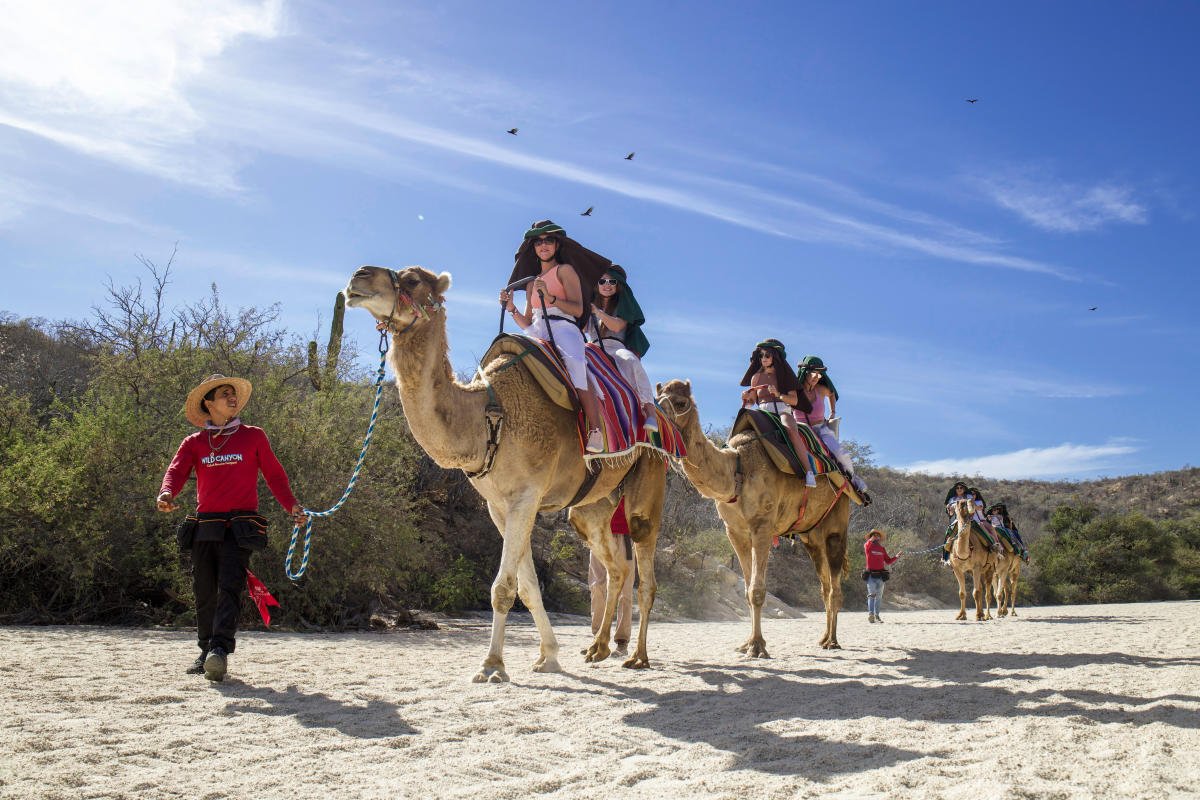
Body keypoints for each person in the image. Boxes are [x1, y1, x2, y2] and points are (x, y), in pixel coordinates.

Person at [157, 374, 306, 682]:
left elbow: (275, 476)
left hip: (240, 526)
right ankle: (205, 651)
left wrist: (291, 505)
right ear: (209, 403)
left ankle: (219, 651)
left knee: (229, 586)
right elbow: (176, 471)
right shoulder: (194, 443)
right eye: (224, 394)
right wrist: (167, 493)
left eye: (233, 393)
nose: (232, 397)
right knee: (204, 590)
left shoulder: (254, 436)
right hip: (205, 525)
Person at [502, 220, 612, 453]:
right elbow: (528, 321)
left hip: (564, 326)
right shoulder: (531, 283)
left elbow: (578, 310)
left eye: (548, 240)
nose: (543, 245)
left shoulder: (565, 271)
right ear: (533, 247)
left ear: (557, 244)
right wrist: (511, 309)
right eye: (538, 242)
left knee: (575, 363)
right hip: (537, 328)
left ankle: (596, 430)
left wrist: (550, 298)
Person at [588, 265, 657, 433]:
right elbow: (582, 329)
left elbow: (617, 326)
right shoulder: (590, 307)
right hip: (593, 347)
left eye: (612, 281)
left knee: (630, 361)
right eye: (602, 281)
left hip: (616, 347)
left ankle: (650, 411)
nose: (607, 285)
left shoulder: (622, 306)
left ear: (617, 285)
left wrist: (598, 313)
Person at [739, 339, 817, 487]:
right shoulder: (756, 377)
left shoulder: (785, 376)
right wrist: (746, 398)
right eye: (761, 355)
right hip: (762, 412)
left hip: (782, 410)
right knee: (742, 427)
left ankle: (809, 472)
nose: (763, 358)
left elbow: (794, 400)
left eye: (767, 355)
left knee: (791, 430)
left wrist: (778, 394)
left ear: (775, 356)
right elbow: (751, 402)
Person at [795, 355, 869, 498]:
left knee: (841, 453)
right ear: (805, 373)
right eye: (813, 373)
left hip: (821, 429)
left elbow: (832, 394)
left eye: (819, 374)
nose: (816, 377)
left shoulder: (821, 389)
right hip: (801, 430)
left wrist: (832, 412)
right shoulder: (794, 390)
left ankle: (854, 478)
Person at [587, 498, 635, 656]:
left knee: (625, 590)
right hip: (598, 533)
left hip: (624, 533)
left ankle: (622, 641)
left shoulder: (630, 479)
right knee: (597, 586)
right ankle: (597, 637)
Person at [864, 529, 902, 623]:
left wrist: (896, 556)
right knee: (871, 594)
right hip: (870, 575)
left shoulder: (882, 549)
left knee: (879, 597)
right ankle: (871, 614)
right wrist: (871, 539)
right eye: (874, 535)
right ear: (871, 537)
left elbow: (888, 561)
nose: (876, 537)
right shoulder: (868, 546)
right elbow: (866, 544)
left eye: (878, 536)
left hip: (881, 575)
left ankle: (877, 616)